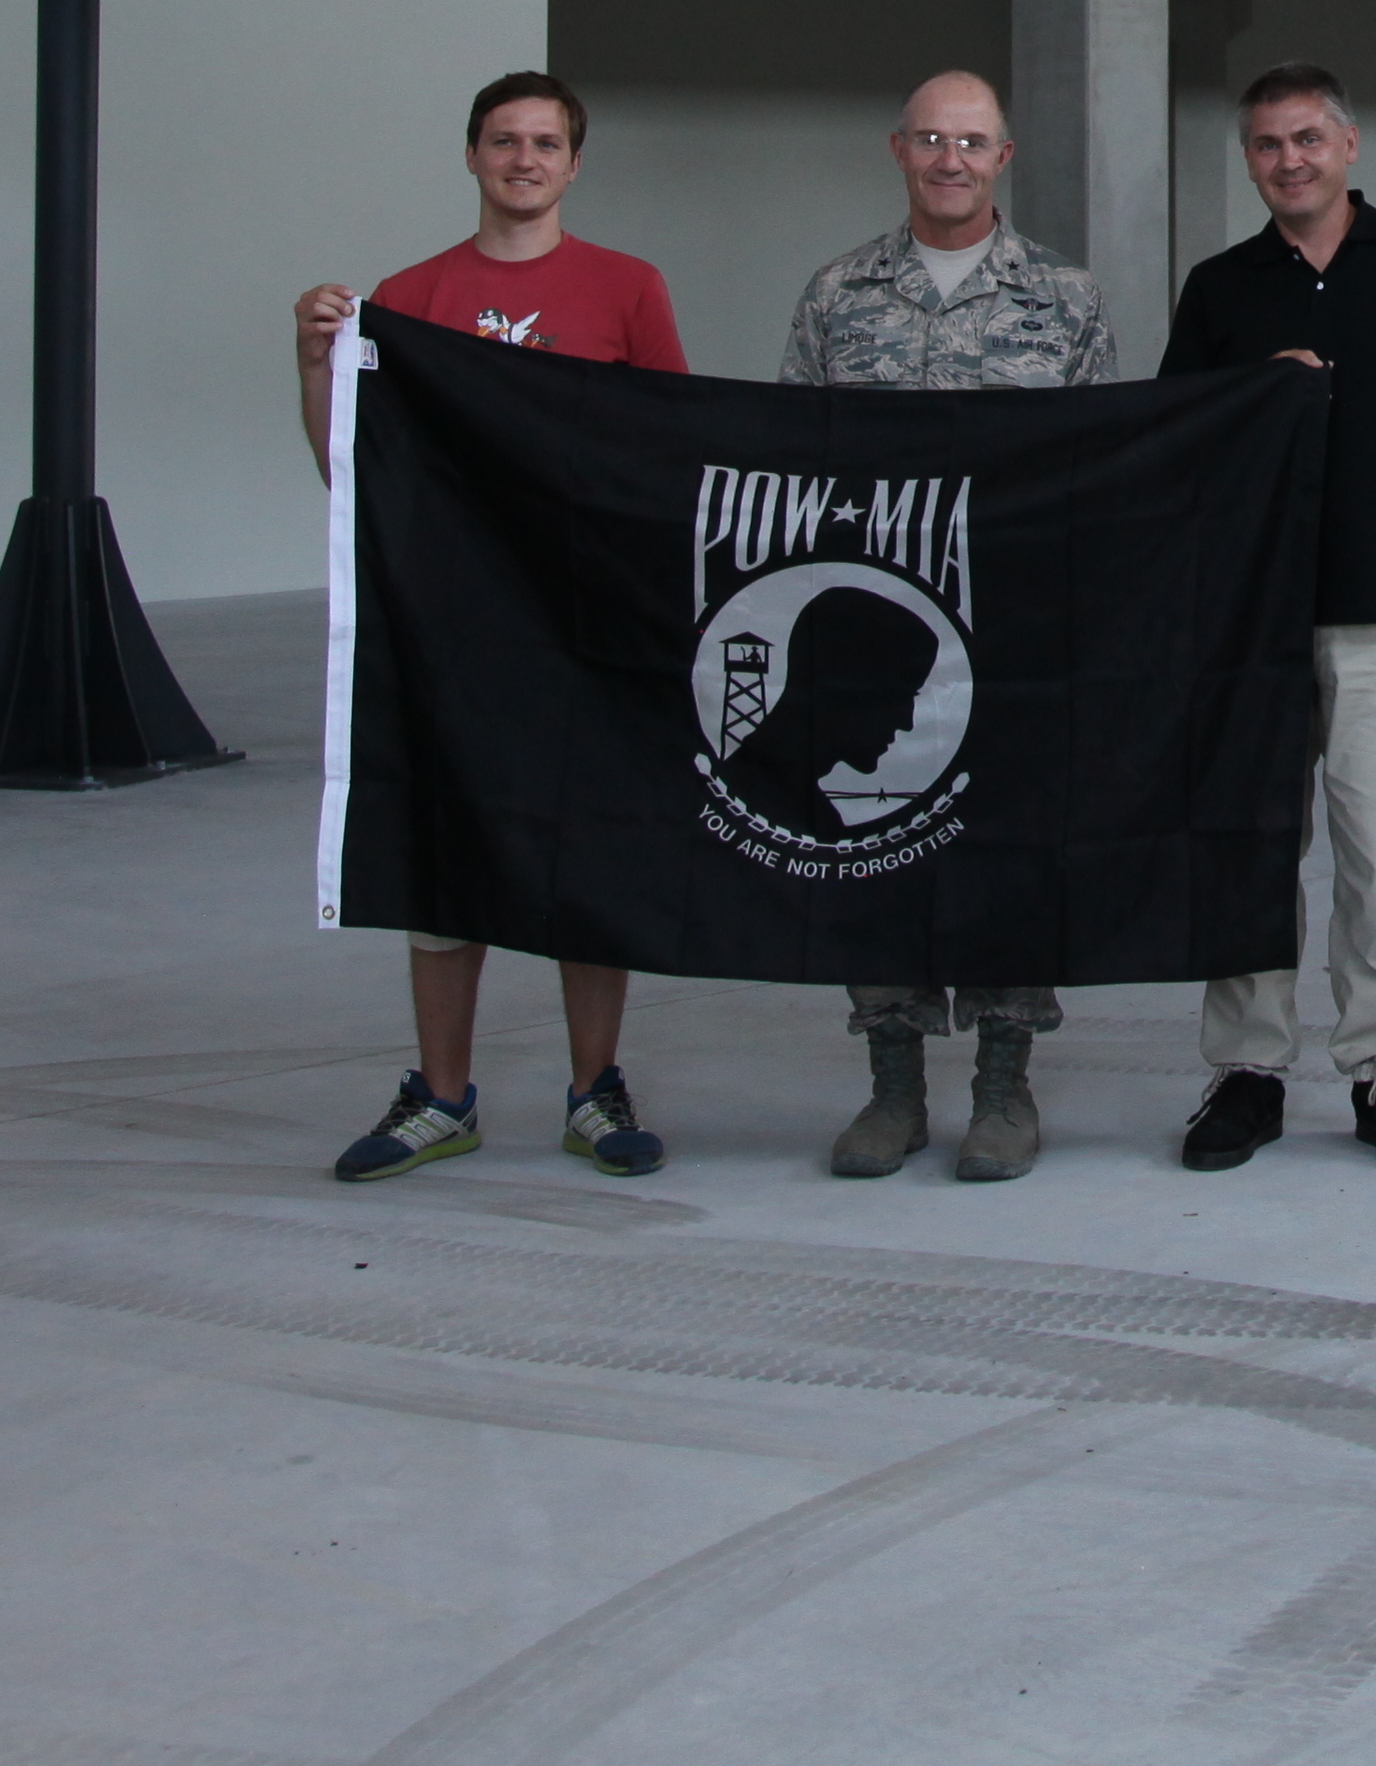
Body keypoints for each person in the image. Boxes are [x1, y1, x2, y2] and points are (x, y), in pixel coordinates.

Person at [292, 70, 687, 1186]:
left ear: (573, 162)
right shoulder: (410, 296)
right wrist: (318, 362)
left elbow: (673, 449)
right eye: (504, 140)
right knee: (442, 857)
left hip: (587, 622)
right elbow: (349, 470)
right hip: (452, 628)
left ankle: (595, 1091)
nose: (524, 159)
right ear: (471, 156)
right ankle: (442, 1096)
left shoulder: (627, 288)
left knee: (591, 853)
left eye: (546, 142)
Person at [1156, 65, 1376, 1172]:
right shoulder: (1222, 289)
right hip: (1250, 621)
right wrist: (1253, 390)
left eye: (1307, 139)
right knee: (1252, 852)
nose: (1288, 161)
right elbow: (1178, 442)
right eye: (1267, 145)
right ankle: (1247, 1073)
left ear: (1349, 146)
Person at [776, 69, 1110, 1181]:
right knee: (874, 837)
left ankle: (1005, 1085)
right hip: (878, 631)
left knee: (1013, 846)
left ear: (1004, 158)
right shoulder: (837, 296)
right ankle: (893, 1087)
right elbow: (794, 461)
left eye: (971, 141)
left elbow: (1100, 474)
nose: (950, 159)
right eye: (930, 139)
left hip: (1014, 629)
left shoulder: (1065, 300)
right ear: (899, 150)